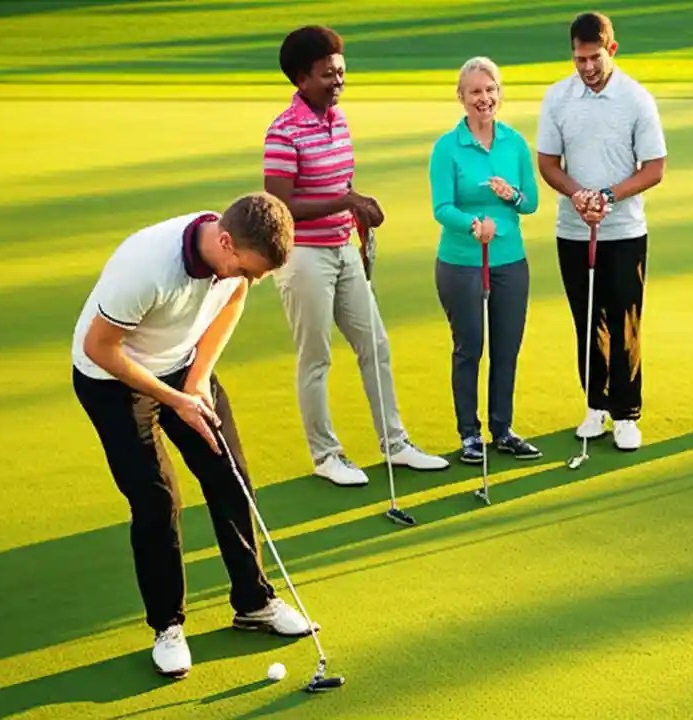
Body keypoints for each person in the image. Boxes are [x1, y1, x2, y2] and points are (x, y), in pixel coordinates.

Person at [71, 192, 314, 680]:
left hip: (183, 368)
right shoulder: (146, 266)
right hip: (112, 381)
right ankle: (167, 627)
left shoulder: (235, 262)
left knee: (230, 476)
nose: (251, 280)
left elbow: (234, 298)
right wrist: (172, 398)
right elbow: (100, 347)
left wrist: (199, 377)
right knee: (157, 499)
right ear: (224, 242)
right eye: (247, 268)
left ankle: (254, 603)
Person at [263, 25, 449, 487]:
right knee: (316, 357)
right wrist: (346, 203)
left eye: (342, 72)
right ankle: (326, 455)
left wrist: (359, 211)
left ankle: (396, 444)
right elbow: (280, 205)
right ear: (301, 79)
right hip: (303, 257)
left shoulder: (339, 120)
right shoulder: (283, 132)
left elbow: (339, 187)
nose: (339, 80)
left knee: (376, 345)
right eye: (328, 74)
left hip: (344, 249)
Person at [536, 11, 667, 452]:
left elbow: (654, 168)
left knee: (625, 321)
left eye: (594, 58)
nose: (587, 67)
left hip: (624, 230)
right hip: (573, 230)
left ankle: (627, 413)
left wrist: (607, 197)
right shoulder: (557, 98)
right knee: (587, 321)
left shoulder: (637, 99)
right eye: (579, 59)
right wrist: (578, 195)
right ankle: (596, 405)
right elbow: (549, 164)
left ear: (611, 49)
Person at [429, 57, 543, 464]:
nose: (484, 98)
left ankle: (502, 429)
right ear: (461, 97)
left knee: (507, 347)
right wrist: (473, 223)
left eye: (490, 89)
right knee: (470, 346)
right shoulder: (447, 147)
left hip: (511, 261)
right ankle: (469, 434)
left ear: (499, 94)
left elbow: (531, 202)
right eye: (475, 91)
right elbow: (441, 207)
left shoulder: (514, 142)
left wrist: (510, 195)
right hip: (462, 262)